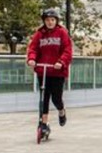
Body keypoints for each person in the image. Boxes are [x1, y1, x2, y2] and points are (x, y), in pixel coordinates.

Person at [26, 7, 74, 138]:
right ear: (44, 21)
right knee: (44, 97)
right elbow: (33, 48)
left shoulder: (62, 33)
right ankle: (44, 124)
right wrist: (31, 59)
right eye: (47, 20)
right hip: (43, 71)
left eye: (52, 20)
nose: (50, 22)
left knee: (56, 98)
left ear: (56, 21)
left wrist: (61, 62)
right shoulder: (39, 34)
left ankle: (61, 110)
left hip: (57, 71)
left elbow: (67, 50)